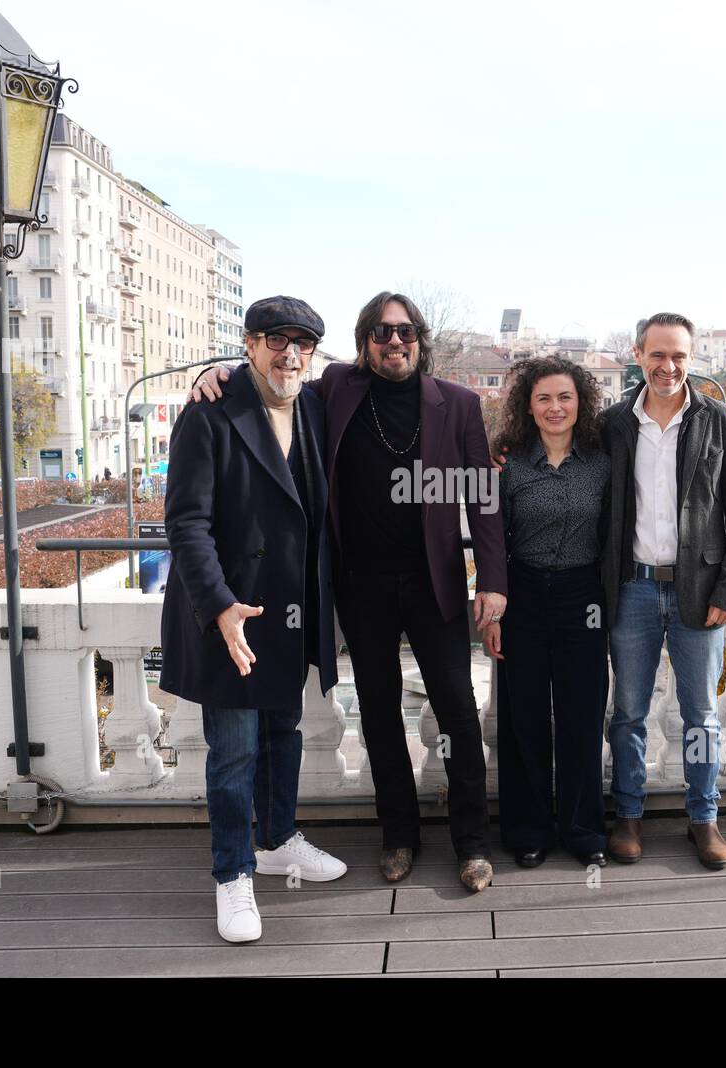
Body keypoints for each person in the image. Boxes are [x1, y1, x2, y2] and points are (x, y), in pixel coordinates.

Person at [188, 291, 507, 893]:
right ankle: (399, 836)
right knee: (381, 716)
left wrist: (492, 579)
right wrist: (220, 371)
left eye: (406, 332)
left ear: (420, 340)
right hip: (361, 587)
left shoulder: (458, 405)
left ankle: (471, 843)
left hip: (436, 583)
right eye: (383, 332)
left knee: (460, 715)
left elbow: (482, 500)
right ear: (365, 342)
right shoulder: (336, 389)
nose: (395, 342)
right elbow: (273, 379)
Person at [160, 295, 347, 944]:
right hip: (231, 613)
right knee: (234, 752)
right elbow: (185, 524)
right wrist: (218, 607)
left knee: (284, 732)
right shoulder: (210, 410)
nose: (289, 353)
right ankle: (233, 874)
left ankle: (278, 840)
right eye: (275, 339)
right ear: (249, 343)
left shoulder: (318, 406)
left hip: (290, 612)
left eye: (302, 343)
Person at [599, 312, 726, 869]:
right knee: (628, 713)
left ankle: (704, 818)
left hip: (699, 591)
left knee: (701, 715)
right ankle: (627, 815)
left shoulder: (722, 422)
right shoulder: (614, 424)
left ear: (693, 360)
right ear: (639, 354)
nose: (668, 366)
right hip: (633, 590)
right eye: (658, 355)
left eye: (679, 356)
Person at [482, 357, 610, 869]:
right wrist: (493, 611)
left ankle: (583, 831)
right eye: (543, 399)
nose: (555, 408)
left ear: (581, 402)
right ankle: (528, 829)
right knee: (523, 718)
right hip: (524, 596)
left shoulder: (603, 459)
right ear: (528, 407)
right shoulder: (507, 464)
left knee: (582, 715)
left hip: (585, 598)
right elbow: (491, 540)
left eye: (564, 398)